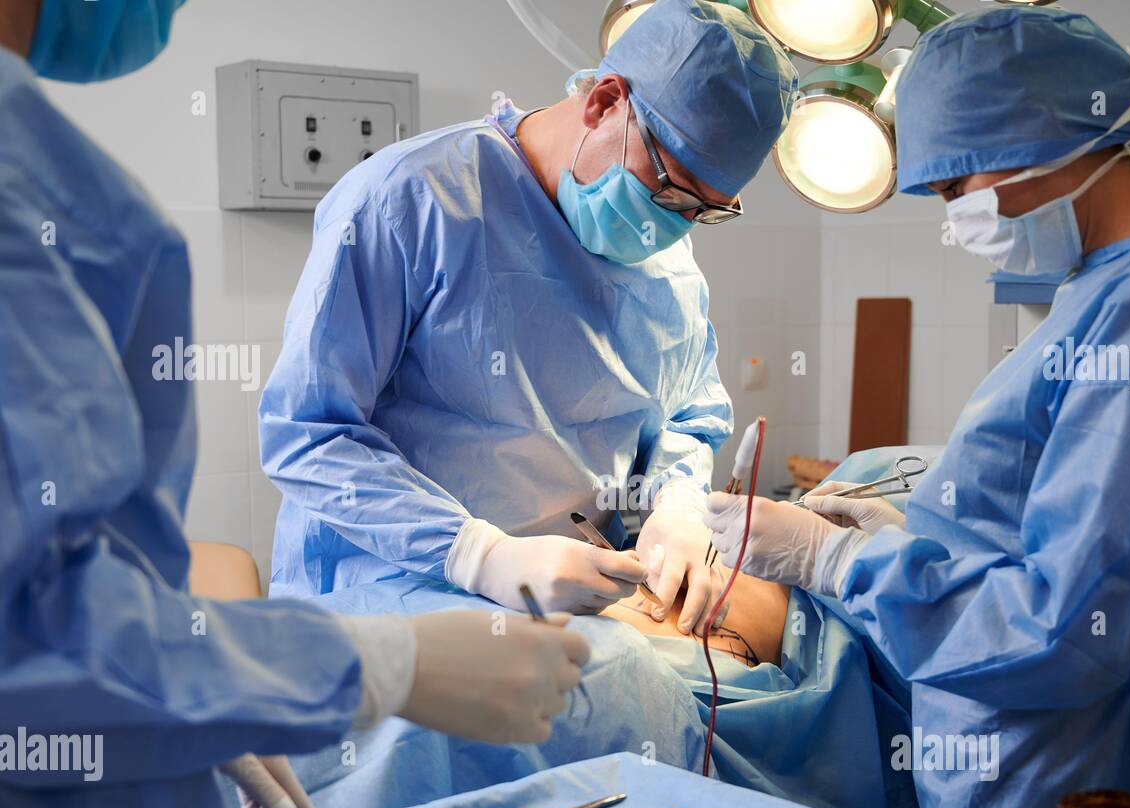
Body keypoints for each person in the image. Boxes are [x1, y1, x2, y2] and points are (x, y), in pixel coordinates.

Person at [0, 0, 589, 808]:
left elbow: (63, 589)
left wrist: (202, 696)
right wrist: (371, 660)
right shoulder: (41, 198)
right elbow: (33, 636)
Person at [706, 6, 1130, 808]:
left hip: (1081, 786)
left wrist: (838, 564)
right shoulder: (1109, 291)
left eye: (955, 188)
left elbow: (1067, 631)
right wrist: (908, 533)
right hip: (1015, 769)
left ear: (1041, 129)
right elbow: (1049, 525)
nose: (957, 220)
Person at [258, 0, 798, 638]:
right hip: (392, 601)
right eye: (669, 190)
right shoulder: (410, 201)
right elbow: (309, 434)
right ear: (603, 102)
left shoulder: (667, 263)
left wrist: (675, 508)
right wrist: (480, 556)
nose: (675, 224)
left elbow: (685, 414)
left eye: (705, 210)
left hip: (584, 609)